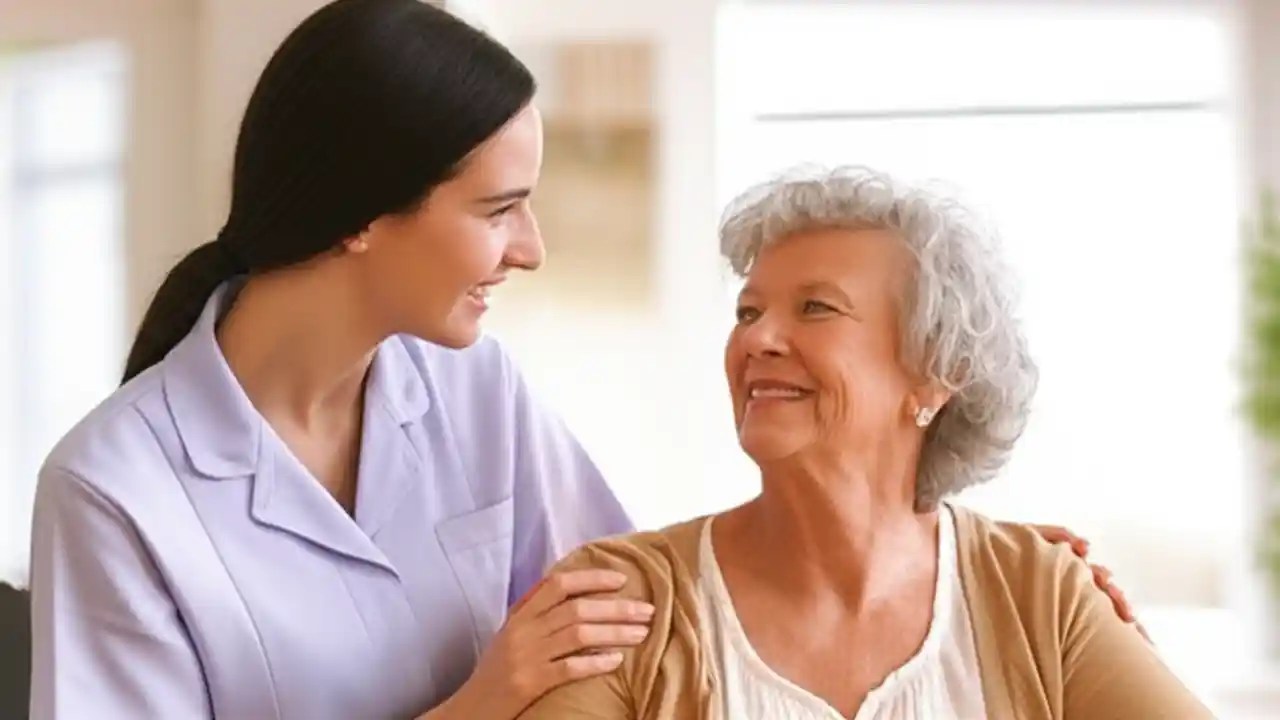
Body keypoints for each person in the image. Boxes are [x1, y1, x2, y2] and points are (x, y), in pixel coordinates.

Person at [26, 2, 1137, 719]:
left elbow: (653, 606)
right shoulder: (115, 492)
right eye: (499, 208)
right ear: (363, 214)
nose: (531, 248)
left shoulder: (473, 389)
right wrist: (472, 709)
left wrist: (921, 562)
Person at [517, 167, 1212, 720]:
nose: (757, 338)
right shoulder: (632, 598)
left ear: (937, 375)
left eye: (815, 307)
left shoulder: (1037, 590)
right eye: (748, 311)